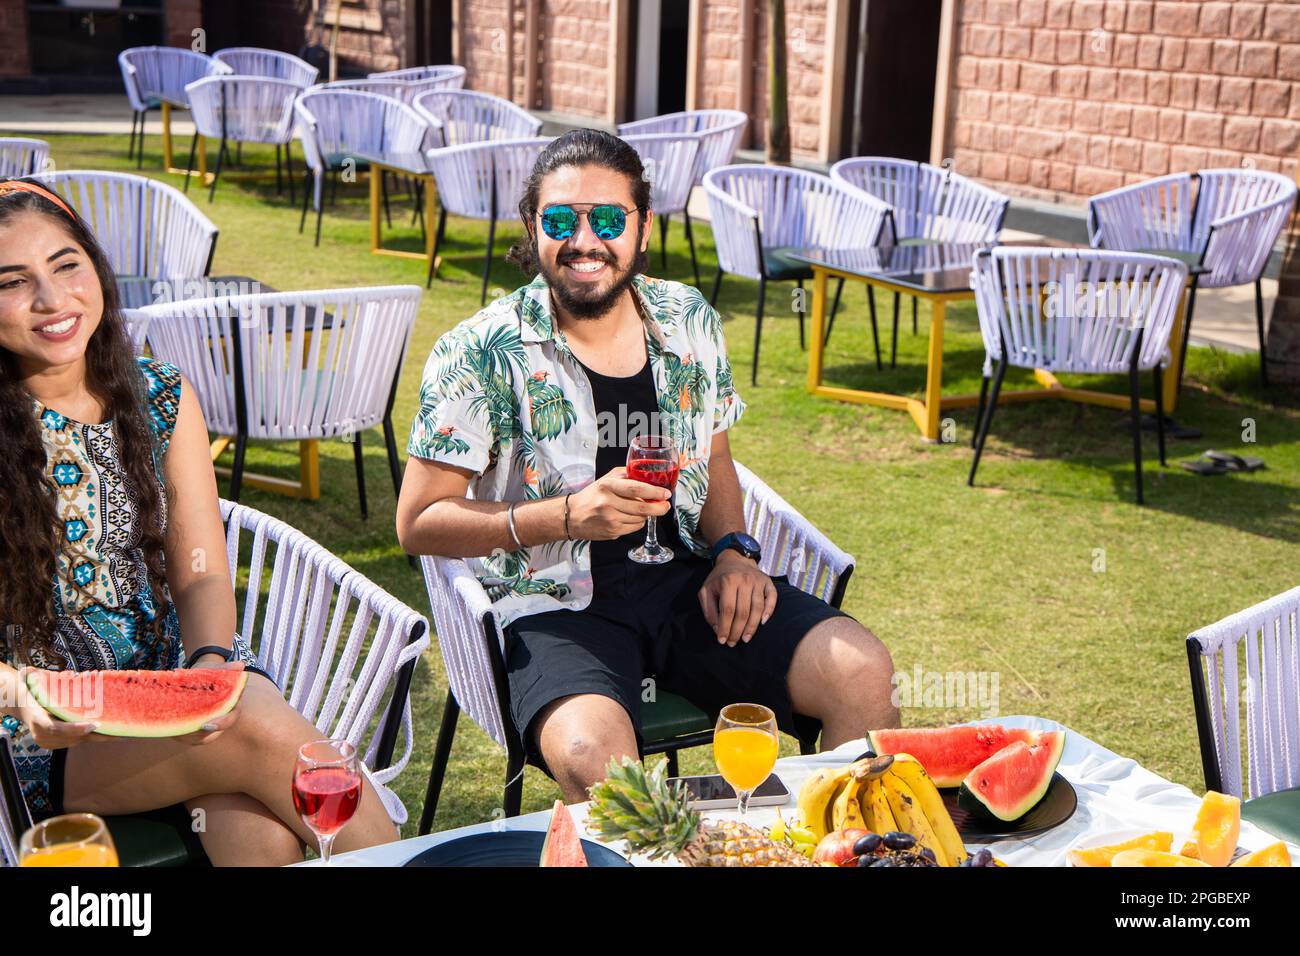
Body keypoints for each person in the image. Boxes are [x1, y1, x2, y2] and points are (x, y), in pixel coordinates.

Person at [397, 130, 899, 804]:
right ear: (531, 228)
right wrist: (567, 515)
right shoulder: (478, 352)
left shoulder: (689, 318)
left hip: (687, 586)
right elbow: (419, 522)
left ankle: (845, 845)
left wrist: (733, 552)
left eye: (608, 219)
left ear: (644, 228)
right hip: (551, 607)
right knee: (594, 760)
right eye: (559, 220)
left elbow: (716, 455)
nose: (585, 241)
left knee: (863, 674)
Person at [0, 179, 397, 865]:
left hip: (179, 671)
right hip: (52, 730)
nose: (51, 298)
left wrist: (208, 666)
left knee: (263, 833)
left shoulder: (158, 393)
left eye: (66, 264)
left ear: (95, 265)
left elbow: (202, 572)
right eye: (12, 282)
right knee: (267, 737)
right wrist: (22, 690)